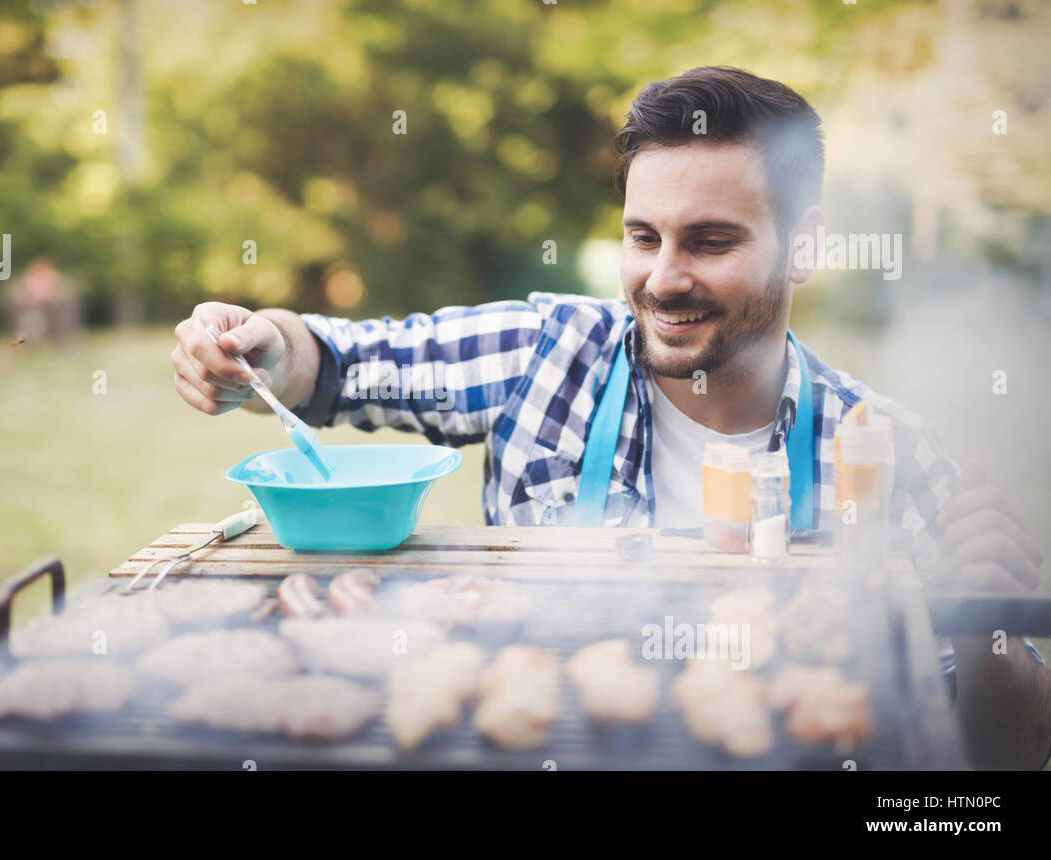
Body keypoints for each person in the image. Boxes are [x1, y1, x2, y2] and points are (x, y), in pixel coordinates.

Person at [171, 66, 1050, 769]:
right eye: (643, 237)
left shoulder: (889, 453)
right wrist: (265, 351)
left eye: (711, 241)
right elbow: (346, 361)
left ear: (806, 245)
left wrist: (997, 633)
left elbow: (992, 764)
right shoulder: (544, 352)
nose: (663, 279)